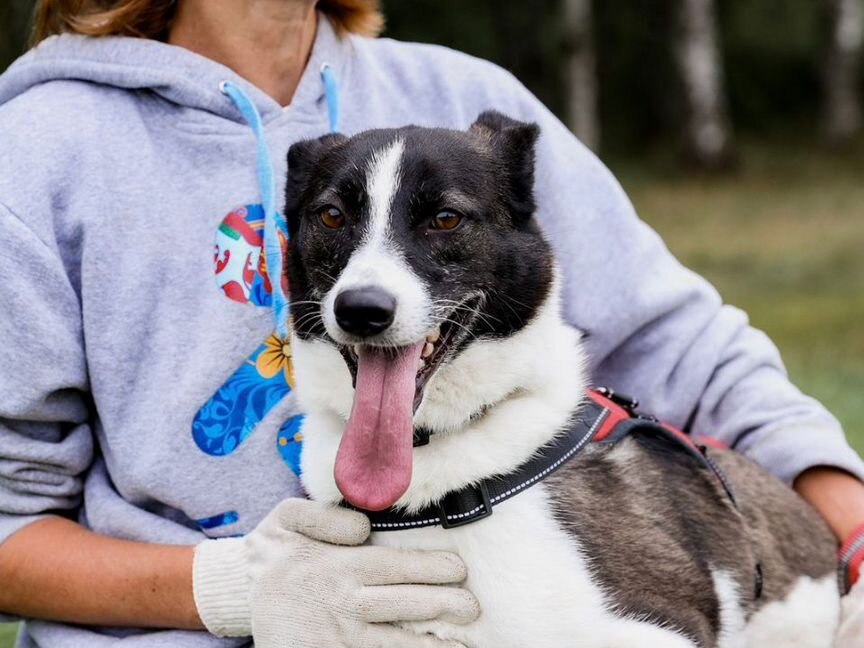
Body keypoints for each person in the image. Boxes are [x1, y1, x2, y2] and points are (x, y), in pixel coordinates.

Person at [0, 1, 863, 646]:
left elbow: (690, 353)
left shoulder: (462, 99)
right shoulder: (39, 152)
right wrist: (233, 589)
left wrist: (855, 541)